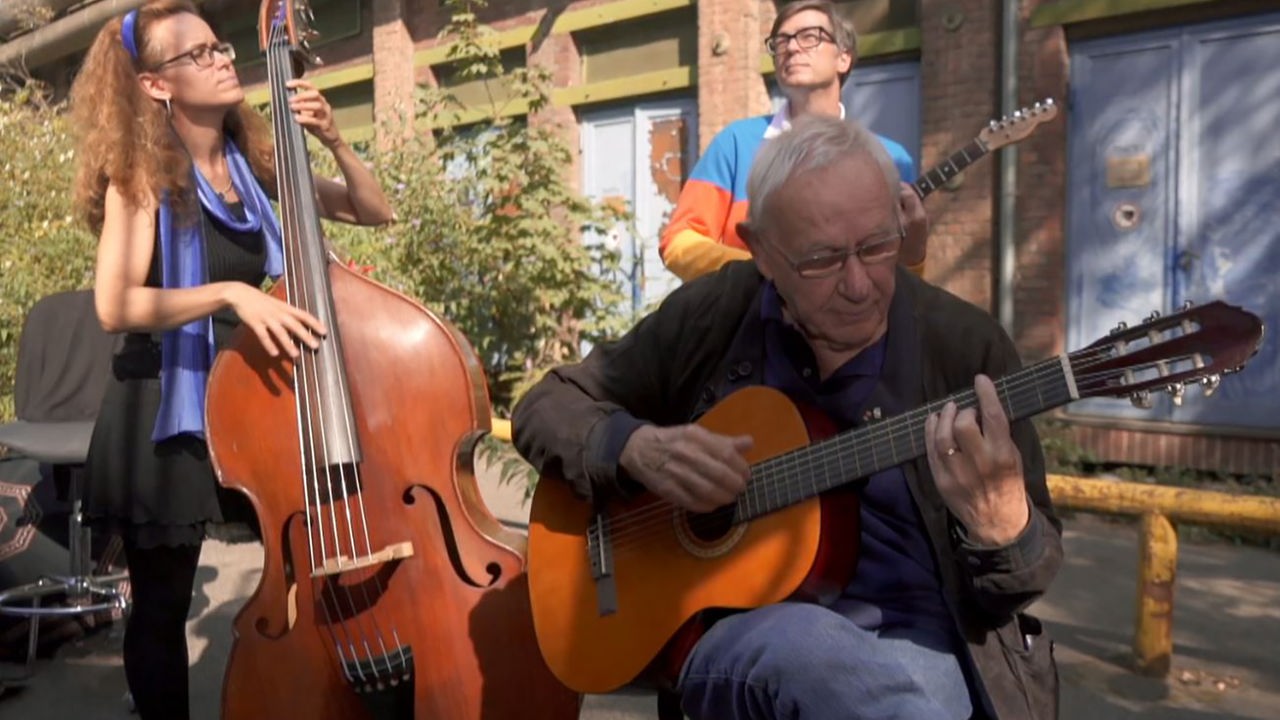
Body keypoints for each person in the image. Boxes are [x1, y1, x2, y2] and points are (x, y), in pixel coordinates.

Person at [513, 115, 1061, 720]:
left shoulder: (964, 347)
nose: (859, 284)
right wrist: (634, 448)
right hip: (738, 635)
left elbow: (1023, 579)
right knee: (805, 646)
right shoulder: (718, 313)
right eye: (822, 261)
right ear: (761, 252)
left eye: (879, 246)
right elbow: (545, 407)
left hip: (919, 641)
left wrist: (1004, 530)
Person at [71, 3, 394, 718]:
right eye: (198, 54)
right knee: (163, 605)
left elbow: (375, 211)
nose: (223, 59)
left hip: (249, 401)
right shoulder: (141, 178)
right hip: (164, 403)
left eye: (220, 46)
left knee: (304, 562)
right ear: (157, 86)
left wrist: (337, 141)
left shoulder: (253, 167)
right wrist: (231, 296)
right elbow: (114, 305)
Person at [659, 0, 929, 283]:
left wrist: (916, 254)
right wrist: (762, 270)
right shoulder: (735, 143)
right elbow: (679, 241)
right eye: (781, 41)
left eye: (810, 37)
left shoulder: (891, 158)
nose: (792, 47)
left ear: (843, 58)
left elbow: (901, 277)